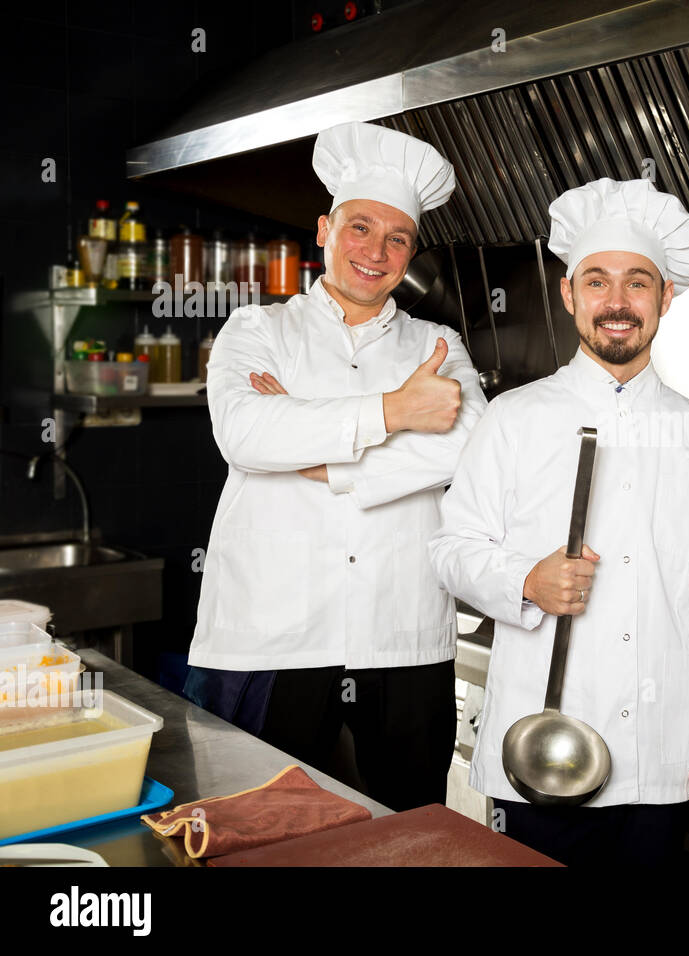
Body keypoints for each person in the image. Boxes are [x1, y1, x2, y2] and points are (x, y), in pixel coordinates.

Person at [429, 178, 689, 865]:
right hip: (545, 743)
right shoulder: (514, 417)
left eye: (638, 283)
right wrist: (525, 580)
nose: (617, 302)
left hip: (660, 749)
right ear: (570, 293)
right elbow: (451, 550)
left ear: (665, 298)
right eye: (597, 281)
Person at [184, 121, 488, 812]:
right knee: (256, 833)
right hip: (271, 636)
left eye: (397, 238)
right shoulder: (256, 330)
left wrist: (330, 463)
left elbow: (473, 444)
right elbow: (248, 433)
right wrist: (397, 411)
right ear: (324, 228)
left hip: (403, 636)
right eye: (359, 227)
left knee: (412, 834)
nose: (376, 251)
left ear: (413, 251)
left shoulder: (437, 341)